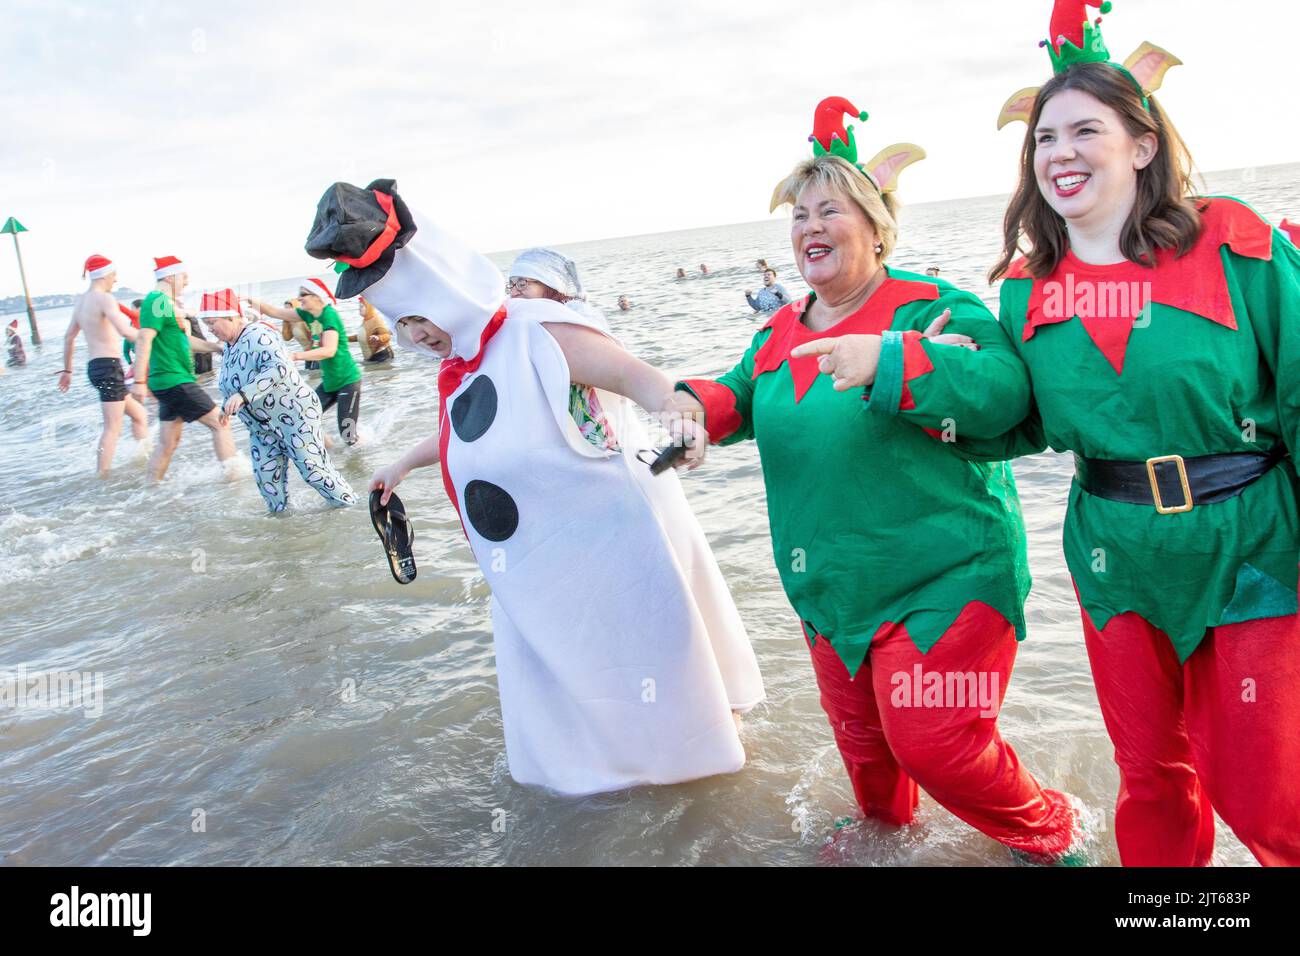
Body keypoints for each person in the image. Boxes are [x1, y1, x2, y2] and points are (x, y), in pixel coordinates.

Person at [668, 97, 1084, 862]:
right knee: (865, 743)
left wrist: (893, 359)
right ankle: (889, 833)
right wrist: (692, 411)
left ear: (877, 226)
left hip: (946, 577)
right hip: (830, 582)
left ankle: (1049, 832)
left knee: (936, 743)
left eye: (829, 210)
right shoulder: (777, 332)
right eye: (797, 215)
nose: (808, 228)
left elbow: (1006, 395)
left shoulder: (933, 305)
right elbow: (736, 392)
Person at [946, 0, 1299, 866]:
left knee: (1264, 794)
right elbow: (1015, 425)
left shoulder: (1237, 242)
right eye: (1043, 139)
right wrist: (921, 377)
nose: (1058, 153)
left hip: (1249, 539)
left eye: (1083, 131)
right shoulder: (1026, 290)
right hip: (1113, 551)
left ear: (1142, 145)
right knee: (1149, 778)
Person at [304, 178, 764, 795]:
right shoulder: (462, 361)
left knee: (646, 678)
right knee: (572, 689)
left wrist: (682, 415)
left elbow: (638, 378)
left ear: (449, 291)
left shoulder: (536, 330)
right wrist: (401, 465)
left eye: (420, 316)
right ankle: (610, 799)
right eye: (401, 322)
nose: (415, 335)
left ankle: (696, 791)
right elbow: (474, 435)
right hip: (535, 569)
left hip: (610, 555)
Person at [201, 289, 356, 512]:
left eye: (212, 322)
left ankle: (353, 511)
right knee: (267, 481)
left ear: (232, 316)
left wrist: (243, 395)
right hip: (261, 426)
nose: (210, 328)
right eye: (206, 324)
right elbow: (232, 380)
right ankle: (284, 533)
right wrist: (226, 405)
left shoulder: (259, 334)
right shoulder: (228, 345)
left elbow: (279, 368)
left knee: (313, 471)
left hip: (294, 415)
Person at [132, 255, 236, 482]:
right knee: (221, 422)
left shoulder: (164, 303)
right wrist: (139, 382)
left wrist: (216, 347)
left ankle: (151, 490)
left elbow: (184, 340)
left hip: (169, 381)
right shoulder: (157, 300)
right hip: (174, 380)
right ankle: (235, 483)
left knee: (168, 443)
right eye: (184, 277)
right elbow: (143, 339)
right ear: (170, 277)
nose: (187, 282)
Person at [56, 255, 150, 474]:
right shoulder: (104, 299)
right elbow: (125, 331)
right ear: (105, 275)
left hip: (96, 368)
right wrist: (150, 336)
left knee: (139, 415)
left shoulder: (81, 301)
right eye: (114, 275)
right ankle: (102, 477)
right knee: (112, 428)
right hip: (109, 367)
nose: (115, 280)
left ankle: (144, 461)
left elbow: (68, 337)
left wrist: (67, 370)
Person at [248, 279, 363, 445]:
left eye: (303, 295)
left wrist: (296, 356)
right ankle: (328, 451)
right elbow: (275, 312)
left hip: (347, 381)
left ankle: (362, 459)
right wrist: (250, 300)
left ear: (317, 297)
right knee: (303, 417)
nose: (299, 298)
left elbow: (329, 350)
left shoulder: (329, 316)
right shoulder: (308, 315)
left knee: (348, 437)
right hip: (330, 383)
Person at [356, 296, 394, 362]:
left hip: (381, 356)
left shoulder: (376, 320)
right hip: (371, 357)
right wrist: (345, 338)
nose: (359, 309)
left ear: (368, 308)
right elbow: (364, 336)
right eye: (359, 307)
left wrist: (378, 338)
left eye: (361, 306)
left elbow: (387, 335)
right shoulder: (365, 321)